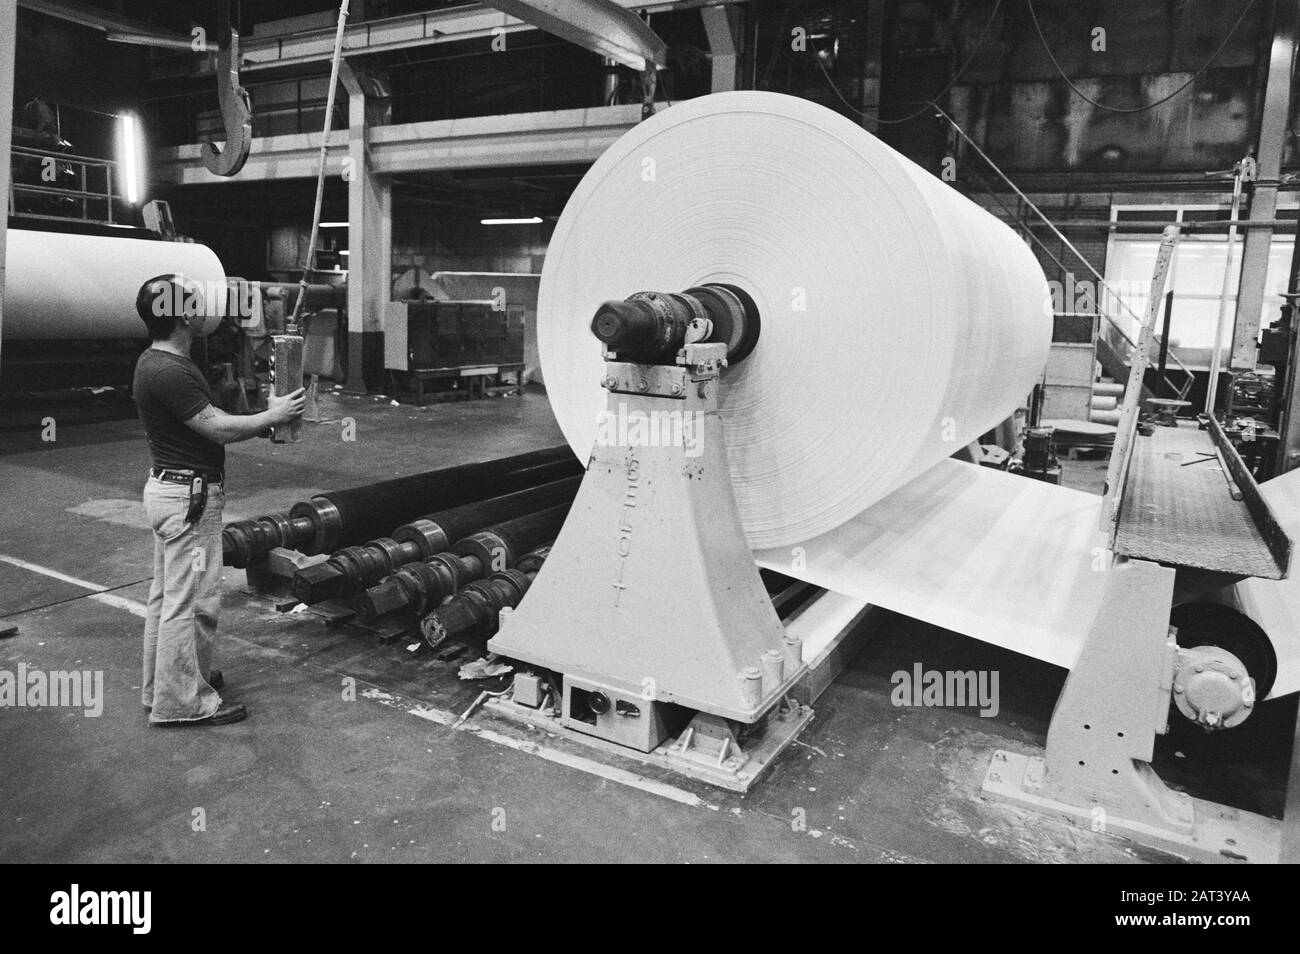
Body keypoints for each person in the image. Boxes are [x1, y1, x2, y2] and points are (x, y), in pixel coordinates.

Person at [133, 274, 305, 726]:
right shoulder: (169, 370)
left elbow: (216, 418)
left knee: (168, 597)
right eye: (191, 299)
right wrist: (274, 416)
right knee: (192, 603)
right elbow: (215, 427)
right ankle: (184, 703)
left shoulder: (159, 361)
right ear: (182, 314)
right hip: (189, 499)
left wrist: (264, 417)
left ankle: (166, 688)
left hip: (173, 492)